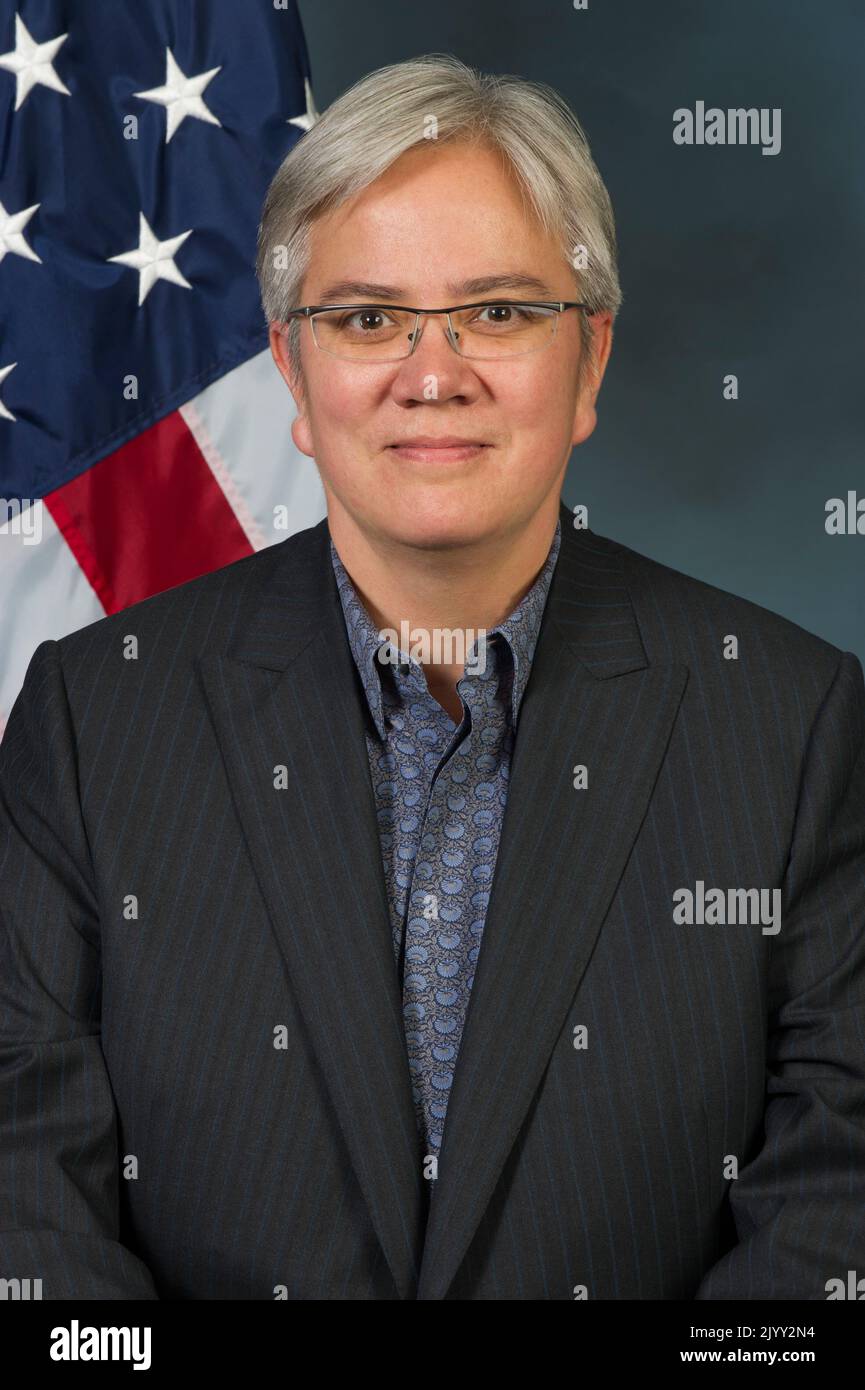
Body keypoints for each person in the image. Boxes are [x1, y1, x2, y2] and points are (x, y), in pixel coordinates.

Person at [1, 54, 863, 1301]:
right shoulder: (92, 719)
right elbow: (26, 1188)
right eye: (366, 318)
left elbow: (836, 1201)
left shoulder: (791, 724)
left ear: (592, 361)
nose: (433, 369)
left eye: (500, 312)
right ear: (292, 376)